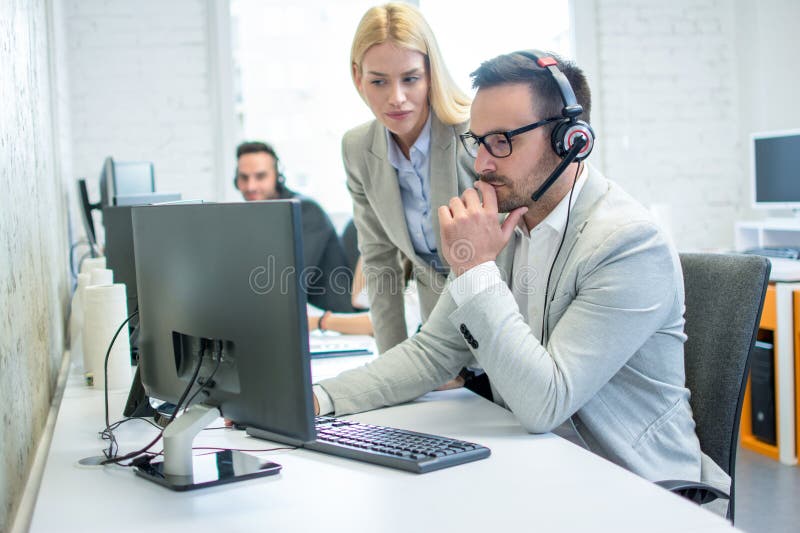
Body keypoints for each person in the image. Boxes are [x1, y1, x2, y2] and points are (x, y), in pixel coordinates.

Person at [314, 50, 730, 507]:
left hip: (639, 491)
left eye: (501, 141)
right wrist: (317, 400)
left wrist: (474, 268)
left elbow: (545, 404)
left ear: (570, 140)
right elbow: (432, 351)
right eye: (478, 141)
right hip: (546, 471)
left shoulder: (628, 243)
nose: (482, 164)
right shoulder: (510, 220)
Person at [344, 3, 477, 354]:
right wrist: (393, 362)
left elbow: (511, 252)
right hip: (437, 332)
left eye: (410, 78)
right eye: (378, 82)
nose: (396, 98)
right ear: (358, 77)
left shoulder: (472, 133)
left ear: (431, 73)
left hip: (499, 321)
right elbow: (379, 261)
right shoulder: (357, 149)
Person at [234, 141, 353, 313]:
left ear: (278, 176)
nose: (251, 186)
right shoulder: (253, 218)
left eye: (260, 176)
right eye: (244, 177)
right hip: (293, 317)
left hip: (331, 322)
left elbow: (287, 284)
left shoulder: (304, 210)